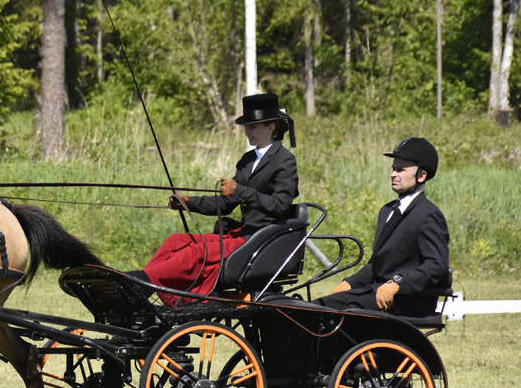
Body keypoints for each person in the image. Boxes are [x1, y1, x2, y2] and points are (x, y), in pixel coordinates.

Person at [138, 93, 299, 295]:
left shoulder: (284, 161)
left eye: (252, 127)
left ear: (271, 127)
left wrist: (240, 190)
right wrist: (189, 202)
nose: (247, 132)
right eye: (246, 127)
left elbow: (280, 205)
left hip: (261, 240)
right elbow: (225, 203)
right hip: (243, 234)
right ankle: (143, 286)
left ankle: (140, 281)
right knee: (176, 241)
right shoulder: (247, 160)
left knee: (197, 252)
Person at [317, 137, 450, 316]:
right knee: (317, 306)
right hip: (376, 293)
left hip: (407, 299)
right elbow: (377, 266)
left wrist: (398, 283)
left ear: (421, 175)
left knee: (346, 310)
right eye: (393, 169)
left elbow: (436, 266)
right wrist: (349, 283)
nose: (393, 174)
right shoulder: (386, 211)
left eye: (401, 170)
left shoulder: (428, 215)